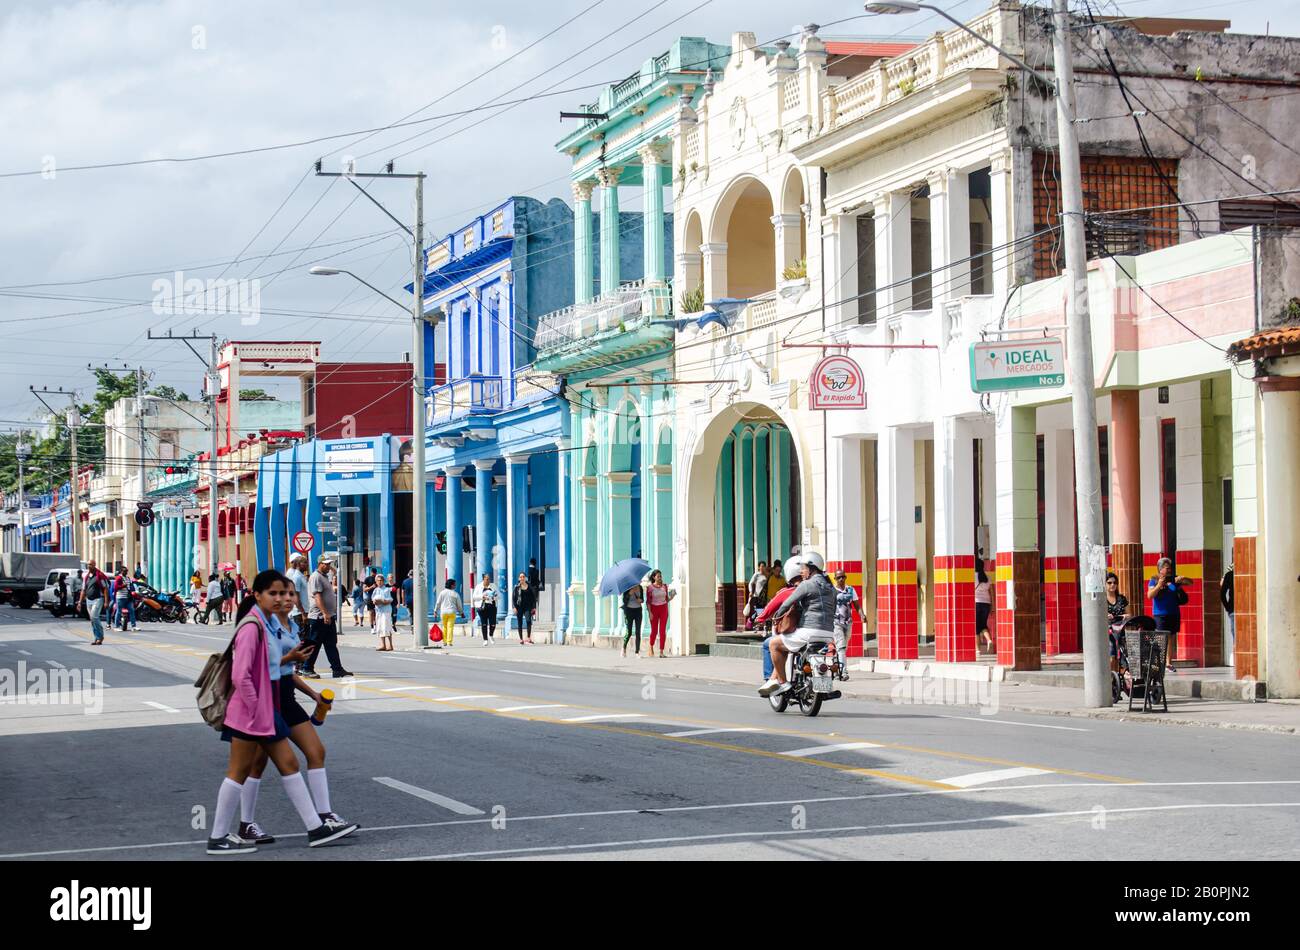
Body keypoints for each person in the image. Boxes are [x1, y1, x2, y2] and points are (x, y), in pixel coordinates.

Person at [204, 569, 357, 854]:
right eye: (272, 593)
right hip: (253, 712)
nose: (279, 598)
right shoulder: (252, 627)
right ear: (257, 595)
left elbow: (275, 669)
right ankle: (219, 837)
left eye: (284, 593)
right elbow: (241, 677)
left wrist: (306, 693)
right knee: (240, 771)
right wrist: (257, 710)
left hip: (263, 709)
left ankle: (316, 826)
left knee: (285, 764)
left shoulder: (268, 625)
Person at [760, 550, 836, 697]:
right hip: (828, 633)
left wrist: (777, 617)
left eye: (804, 568)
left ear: (811, 568)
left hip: (809, 632)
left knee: (774, 644)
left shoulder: (807, 585)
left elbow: (786, 604)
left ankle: (782, 683)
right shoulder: (830, 587)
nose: (802, 571)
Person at [302, 556, 351, 679]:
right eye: (326, 564)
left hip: (328, 616)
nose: (329, 566)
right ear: (320, 564)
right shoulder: (316, 577)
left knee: (331, 644)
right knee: (314, 644)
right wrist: (324, 613)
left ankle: (337, 669)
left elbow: (333, 573)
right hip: (319, 617)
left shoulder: (324, 576)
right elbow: (317, 597)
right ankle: (307, 668)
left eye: (330, 564)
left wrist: (328, 614)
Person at [754, 560, 803, 682]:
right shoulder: (817, 590)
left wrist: (759, 619)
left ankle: (771, 679)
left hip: (796, 634)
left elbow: (769, 608)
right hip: (821, 632)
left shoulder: (787, 592)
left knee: (769, 644)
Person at [1146, 557, 1191, 674]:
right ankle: (1158, 662)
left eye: (1170, 567)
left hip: (1173, 612)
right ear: (1160, 569)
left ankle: (1168, 663)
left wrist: (1183, 579)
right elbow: (1150, 595)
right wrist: (1159, 585)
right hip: (1160, 614)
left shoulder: (1174, 579)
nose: (1169, 570)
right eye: (1167, 568)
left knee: (1171, 637)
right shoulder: (1154, 579)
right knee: (1161, 638)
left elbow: (1191, 582)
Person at [831, 569, 861, 679]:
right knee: (841, 647)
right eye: (838, 577)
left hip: (848, 623)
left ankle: (836, 664)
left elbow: (856, 605)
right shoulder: (832, 591)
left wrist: (862, 615)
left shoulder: (851, 590)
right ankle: (844, 672)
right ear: (835, 579)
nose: (841, 579)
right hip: (836, 623)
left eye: (843, 577)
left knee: (842, 647)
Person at [645, 570, 675, 657]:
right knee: (654, 631)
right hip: (654, 609)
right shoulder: (650, 588)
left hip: (663, 609)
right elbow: (648, 602)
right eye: (658, 576)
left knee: (662, 631)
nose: (660, 578)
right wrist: (650, 612)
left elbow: (666, 599)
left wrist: (671, 597)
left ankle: (661, 652)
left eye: (660, 576)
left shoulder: (665, 586)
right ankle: (651, 646)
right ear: (654, 577)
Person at [79, 560, 108, 645]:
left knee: (94, 617)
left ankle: (100, 636)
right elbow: (83, 590)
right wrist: (80, 602)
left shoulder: (100, 576)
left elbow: (105, 588)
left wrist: (106, 601)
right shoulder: (86, 577)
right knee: (92, 619)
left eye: (91, 565)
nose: (89, 566)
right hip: (89, 600)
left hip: (98, 599)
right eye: (88, 565)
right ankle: (96, 637)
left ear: (94, 565)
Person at [434, 579, 462, 648]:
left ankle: (444, 642)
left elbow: (438, 603)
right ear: (452, 585)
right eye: (454, 584)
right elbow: (459, 605)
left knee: (444, 627)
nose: (455, 586)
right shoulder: (455, 594)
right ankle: (449, 642)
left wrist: (435, 611)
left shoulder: (442, 593)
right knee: (450, 627)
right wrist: (461, 612)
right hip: (452, 612)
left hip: (443, 612)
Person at [621, 581, 645, 658]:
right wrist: (629, 594)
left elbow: (642, 599)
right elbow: (624, 600)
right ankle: (624, 647)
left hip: (638, 611)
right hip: (628, 611)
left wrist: (640, 600)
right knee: (629, 631)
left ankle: (637, 652)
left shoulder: (640, 587)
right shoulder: (627, 588)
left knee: (638, 632)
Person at [372, 573, 395, 651]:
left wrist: (383, 601)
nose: (379, 582)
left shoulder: (387, 589)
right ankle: (383, 645)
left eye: (381, 580)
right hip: (379, 611)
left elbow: (390, 600)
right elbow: (373, 600)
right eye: (378, 580)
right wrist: (376, 601)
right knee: (380, 627)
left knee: (387, 627)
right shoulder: (375, 590)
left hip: (386, 611)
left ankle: (390, 645)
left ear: (383, 581)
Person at [473, 575, 498, 644]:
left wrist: (493, 597)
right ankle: (485, 639)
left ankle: (491, 635)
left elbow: (498, 596)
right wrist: (482, 597)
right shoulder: (478, 586)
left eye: (489, 579)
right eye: (486, 579)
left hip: (492, 606)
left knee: (493, 623)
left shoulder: (493, 586)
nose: (488, 581)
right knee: (484, 623)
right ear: (483, 579)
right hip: (482, 607)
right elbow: (474, 597)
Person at [512, 572, 537, 644]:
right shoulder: (517, 587)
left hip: (527, 607)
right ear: (519, 578)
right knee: (520, 622)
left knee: (528, 621)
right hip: (519, 607)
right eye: (520, 577)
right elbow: (513, 598)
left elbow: (533, 597)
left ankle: (528, 637)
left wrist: (534, 607)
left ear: (525, 578)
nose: (522, 578)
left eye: (523, 577)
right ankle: (521, 639)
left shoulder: (529, 586)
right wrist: (514, 607)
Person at [975, 563, 994, 653]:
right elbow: (992, 592)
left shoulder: (973, 576)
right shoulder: (987, 577)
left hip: (976, 603)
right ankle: (989, 640)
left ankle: (978, 649)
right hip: (986, 603)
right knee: (983, 624)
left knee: (976, 627)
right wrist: (992, 605)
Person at [285, 556, 308, 625]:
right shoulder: (296, 577)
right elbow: (295, 596)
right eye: (305, 562)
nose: (307, 564)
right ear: (298, 564)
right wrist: (303, 613)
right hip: (299, 613)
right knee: (302, 635)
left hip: (305, 611)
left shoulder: (301, 576)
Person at [745, 561, 769, 630]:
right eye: (761, 566)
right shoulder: (756, 575)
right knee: (759, 611)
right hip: (757, 596)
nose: (762, 568)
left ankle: (756, 623)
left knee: (763, 611)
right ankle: (753, 622)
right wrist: (750, 592)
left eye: (763, 566)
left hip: (765, 596)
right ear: (758, 567)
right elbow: (751, 583)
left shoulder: (767, 575)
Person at [1220, 564, 1235, 668]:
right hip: (1234, 610)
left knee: (1236, 637)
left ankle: (1237, 662)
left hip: (1233, 610)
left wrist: (1228, 607)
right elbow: (1222, 592)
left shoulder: (1229, 574)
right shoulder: (1230, 574)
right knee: (1236, 637)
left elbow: (1222, 593)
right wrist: (1228, 607)